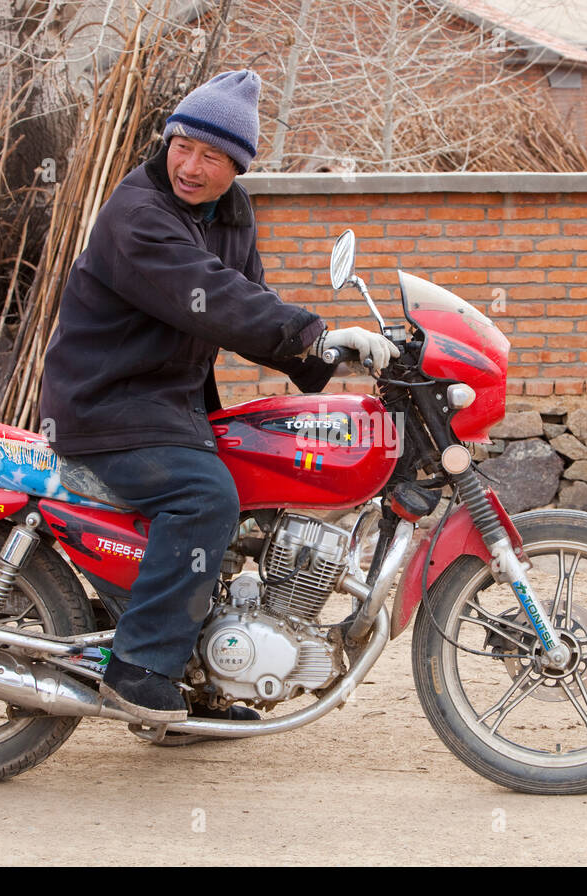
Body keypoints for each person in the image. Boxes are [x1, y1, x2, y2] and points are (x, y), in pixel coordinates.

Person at [39, 70, 397, 725]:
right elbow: (214, 295)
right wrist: (315, 334)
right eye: (183, 147)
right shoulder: (138, 212)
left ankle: (199, 680)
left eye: (212, 157)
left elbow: (242, 306)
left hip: (166, 409)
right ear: (167, 140)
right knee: (206, 498)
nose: (191, 166)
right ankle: (140, 670)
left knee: (249, 488)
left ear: (237, 166)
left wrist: (321, 354)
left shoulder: (233, 213)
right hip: (106, 406)